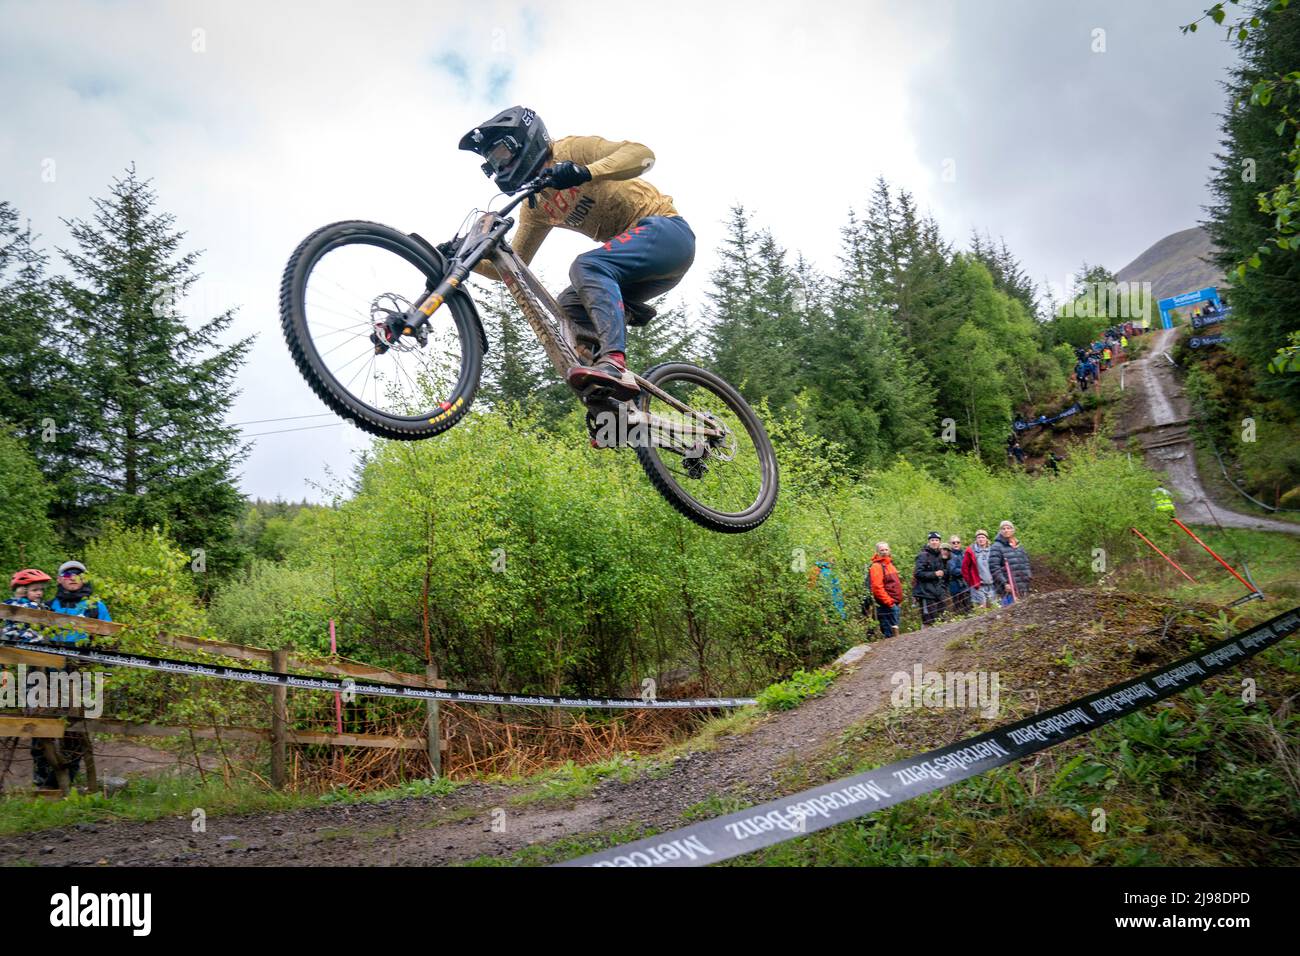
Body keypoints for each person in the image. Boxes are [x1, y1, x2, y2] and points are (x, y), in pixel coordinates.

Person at [458, 106, 695, 402]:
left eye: (501, 155)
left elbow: (642, 154)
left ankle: (614, 361)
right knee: (569, 307)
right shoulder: (536, 206)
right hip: (639, 272)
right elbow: (508, 267)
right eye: (493, 163)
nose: (500, 166)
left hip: (667, 233)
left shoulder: (570, 150)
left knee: (587, 266)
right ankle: (615, 402)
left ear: (523, 141)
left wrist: (586, 171)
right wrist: (462, 258)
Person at [46, 560, 111, 645]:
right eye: (67, 574)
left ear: (84, 579)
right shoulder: (48, 606)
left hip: (85, 655)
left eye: (78, 574)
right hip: (51, 656)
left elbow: (109, 638)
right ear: (59, 579)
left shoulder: (96, 606)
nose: (73, 578)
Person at [865, 542, 903, 639]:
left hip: (895, 604)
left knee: (895, 633)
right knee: (890, 635)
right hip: (886, 605)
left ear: (889, 550)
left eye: (886, 549)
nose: (884, 552)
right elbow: (877, 588)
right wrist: (889, 602)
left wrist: (898, 601)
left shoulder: (889, 564)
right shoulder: (876, 566)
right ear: (877, 552)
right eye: (882, 550)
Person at [989, 520, 1032, 605]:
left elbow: (1026, 562)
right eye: (1003, 528)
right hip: (1008, 587)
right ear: (1000, 531)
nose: (1006, 530)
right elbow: (994, 568)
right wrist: (1004, 583)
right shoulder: (996, 547)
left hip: (1022, 585)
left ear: (1013, 530)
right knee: (1009, 613)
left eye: (1008, 528)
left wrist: (1028, 575)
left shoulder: (1019, 546)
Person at [3, 569, 52, 643]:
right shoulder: (30, 605)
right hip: (20, 641)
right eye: (34, 590)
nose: (39, 593)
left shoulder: (9, 603)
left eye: (41, 590)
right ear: (23, 591)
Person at [912, 532, 948, 626]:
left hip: (939, 592)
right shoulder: (923, 555)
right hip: (926, 593)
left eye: (936, 540)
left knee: (942, 618)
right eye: (932, 540)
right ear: (929, 542)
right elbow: (918, 573)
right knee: (928, 621)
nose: (934, 542)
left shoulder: (940, 555)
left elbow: (945, 571)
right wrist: (934, 574)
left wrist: (943, 573)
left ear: (940, 542)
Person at [962, 529, 997, 609]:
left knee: (994, 607)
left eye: (983, 537)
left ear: (987, 539)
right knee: (981, 608)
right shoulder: (970, 551)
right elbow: (964, 568)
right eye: (979, 537)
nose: (981, 539)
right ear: (976, 539)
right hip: (978, 585)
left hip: (992, 584)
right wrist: (971, 581)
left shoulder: (992, 550)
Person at [945, 535, 971, 614]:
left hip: (965, 584)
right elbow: (953, 570)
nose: (956, 544)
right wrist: (966, 571)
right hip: (955, 585)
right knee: (958, 608)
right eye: (953, 542)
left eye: (958, 542)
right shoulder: (949, 555)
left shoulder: (964, 553)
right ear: (950, 544)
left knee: (969, 607)